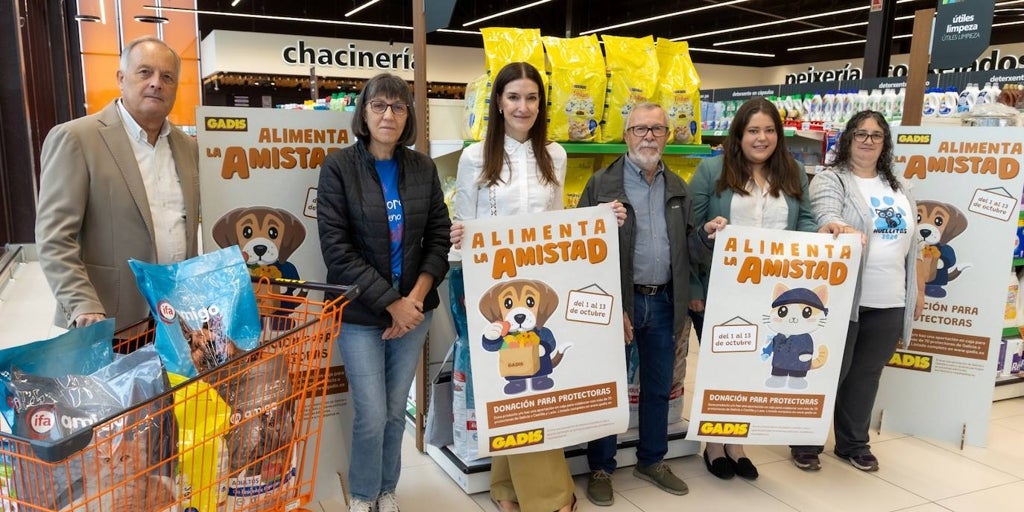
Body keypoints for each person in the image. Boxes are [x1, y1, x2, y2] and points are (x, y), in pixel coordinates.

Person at [450, 61, 625, 512]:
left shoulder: (556, 154)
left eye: (531, 98)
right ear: (499, 103)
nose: (522, 106)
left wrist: (602, 220)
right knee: (510, 380)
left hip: (538, 284)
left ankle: (506, 489)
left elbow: (557, 225)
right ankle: (547, 498)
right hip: (491, 285)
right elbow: (464, 219)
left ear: (541, 105)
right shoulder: (474, 157)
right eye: (513, 97)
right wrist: (459, 240)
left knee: (531, 380)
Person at [577, 102, 726, 507]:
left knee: (658, 387)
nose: (649, 137)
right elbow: (581, 250)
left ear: (666, 135)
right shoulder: (602, 185)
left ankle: (652, 460)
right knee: (609, 388)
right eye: (640, 129)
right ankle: (601, 467)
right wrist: (612, 306)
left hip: (663, 302)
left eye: (657, 129)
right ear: (626, 136)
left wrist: (708, 235)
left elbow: (687, 249)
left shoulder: (677, 186)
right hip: (618, 304)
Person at [317, 73, 452, 512]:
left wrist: (413, 300)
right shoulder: (338, 167)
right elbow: (337, 253)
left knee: (396, 411)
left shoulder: (422, 168)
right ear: (364, 112)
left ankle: (387, 490)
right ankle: (361, 495)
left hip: (414, 312)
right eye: (379, 106)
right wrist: (393, 304)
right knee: (372, 415)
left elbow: (439, 236)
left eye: (398, 107)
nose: (388, 115)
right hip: (359, 315)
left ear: (408, 115)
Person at [689, 97, 817, 480]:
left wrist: (823, 238)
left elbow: (805, 220)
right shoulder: (711, 169)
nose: (761, 138)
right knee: (723, 366)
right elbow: (690, 233)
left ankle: (737, 443)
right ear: (739, 134)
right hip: (721, 289)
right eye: (753, 130)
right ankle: (715, 445)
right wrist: (695, 285)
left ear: (778, 133)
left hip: (775, 294)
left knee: (753, 366)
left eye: (769, 130)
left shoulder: (792, 171)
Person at [35, 36, 199, 332]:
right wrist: (82, 303)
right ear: (121, 79)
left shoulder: (187, 147)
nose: (156, 83)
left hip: (173, 317)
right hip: (106, 320)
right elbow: (55, 237)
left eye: (167, 77)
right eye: (145, 72)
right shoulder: (77, 139)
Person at [794, 110, 923, 472]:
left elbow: (913, 243)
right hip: (844, 297)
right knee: (831, 371)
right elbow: (825, 214)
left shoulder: (897, 184)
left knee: (866, 374)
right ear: (848, 138)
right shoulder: (831, 178)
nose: (868, 140)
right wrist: (835, 225)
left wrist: (917, 288)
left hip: (890, 297)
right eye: (861, 133)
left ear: (885, 143)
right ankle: (807, 441)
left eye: (876, 135)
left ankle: (853, 443)